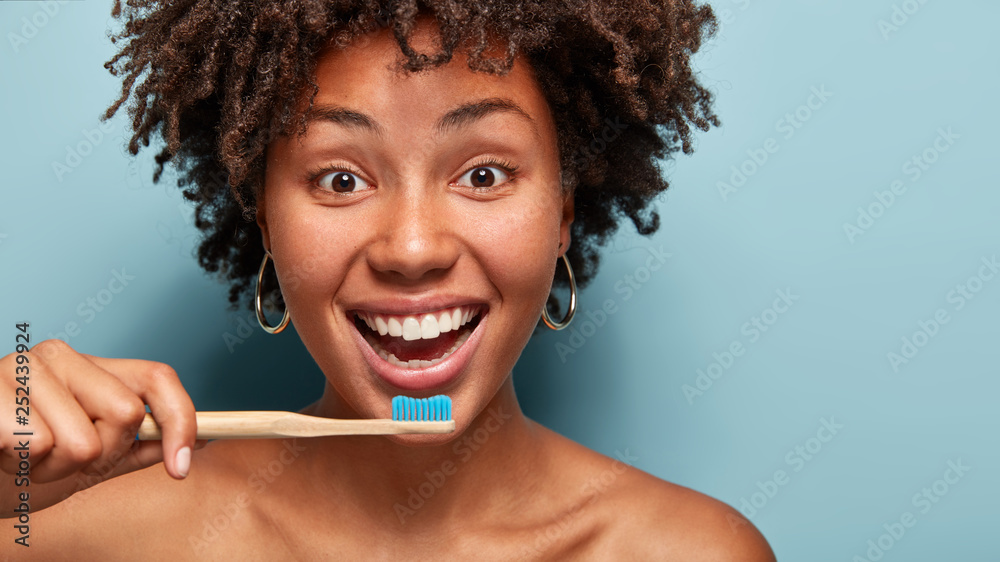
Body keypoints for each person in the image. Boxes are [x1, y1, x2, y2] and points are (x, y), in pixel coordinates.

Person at [1, 0, 775, 558]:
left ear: (563, 211)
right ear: (263, 217)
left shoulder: (693, 550)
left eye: (482, 172)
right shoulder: (74, 528)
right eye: (340, 180)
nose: (410, 248)